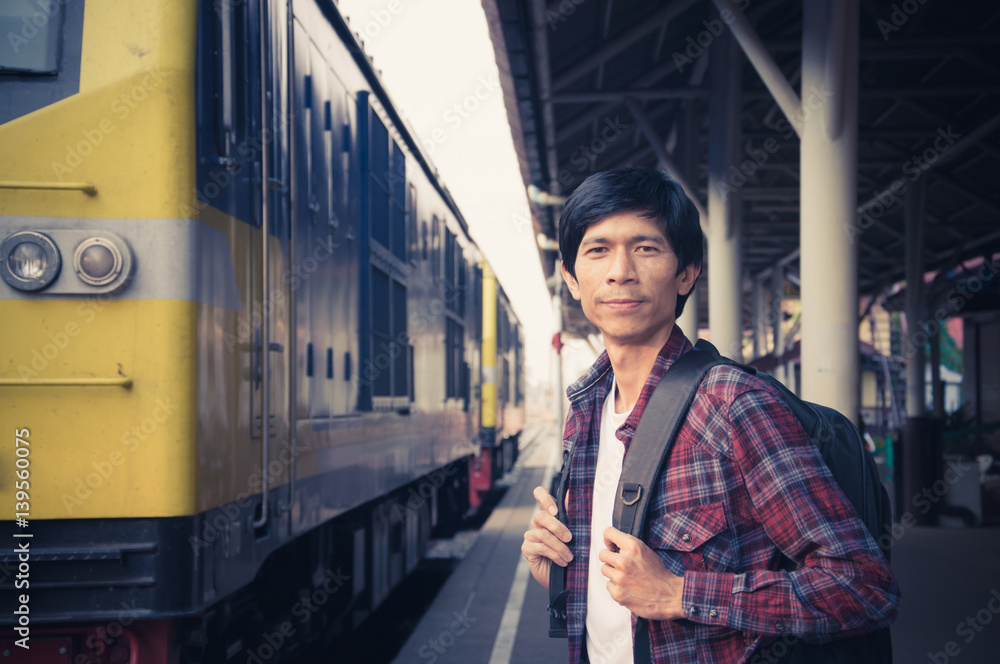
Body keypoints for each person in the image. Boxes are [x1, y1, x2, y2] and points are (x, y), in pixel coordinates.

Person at [521, 168, 899, 663]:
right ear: (571, 277)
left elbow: (862, 586)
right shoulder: (586, 410)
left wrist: (679, 593)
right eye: (597, 250)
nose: (620, 271)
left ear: (687, 272)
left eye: (646, 248)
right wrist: (561, 569)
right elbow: (621, 598)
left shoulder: (731, 403)